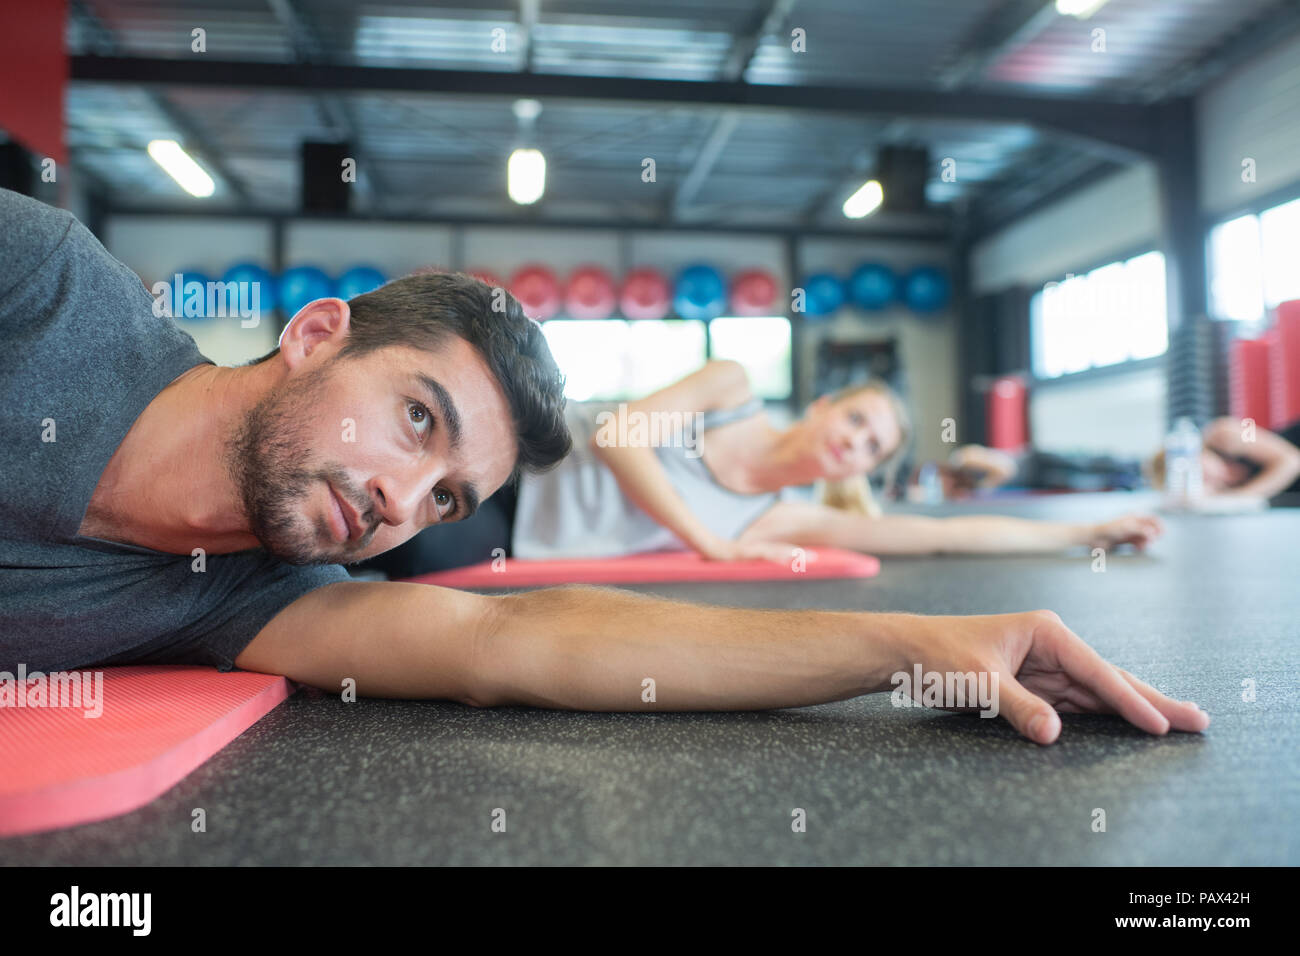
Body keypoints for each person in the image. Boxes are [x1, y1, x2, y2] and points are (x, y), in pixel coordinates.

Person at [0, 187, 1207, 746]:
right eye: (418, 420)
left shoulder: (256, 598)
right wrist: (715, 535)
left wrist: (915, 643)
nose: (400, 502)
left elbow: (516, 641)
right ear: (316, 333)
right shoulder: (48, 283)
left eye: (443, 496)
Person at [366, 364, 1163, 577]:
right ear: (822, 408)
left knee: (402, 550)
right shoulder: (733, 387)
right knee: (373, 478)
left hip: (516, 537)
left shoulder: (778, 518)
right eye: (856, 419)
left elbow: (933, 534)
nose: (856, 443)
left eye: (874, 447)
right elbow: (618, 434)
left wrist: (1089, 528)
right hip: (520, 454)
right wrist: (705, 545)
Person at [1147, 416, 1300, 503]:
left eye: (1199, 473)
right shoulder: (1222, 487)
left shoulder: (1224, 433)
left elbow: (1292, 461)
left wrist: (1241, 497)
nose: (1208, 480)